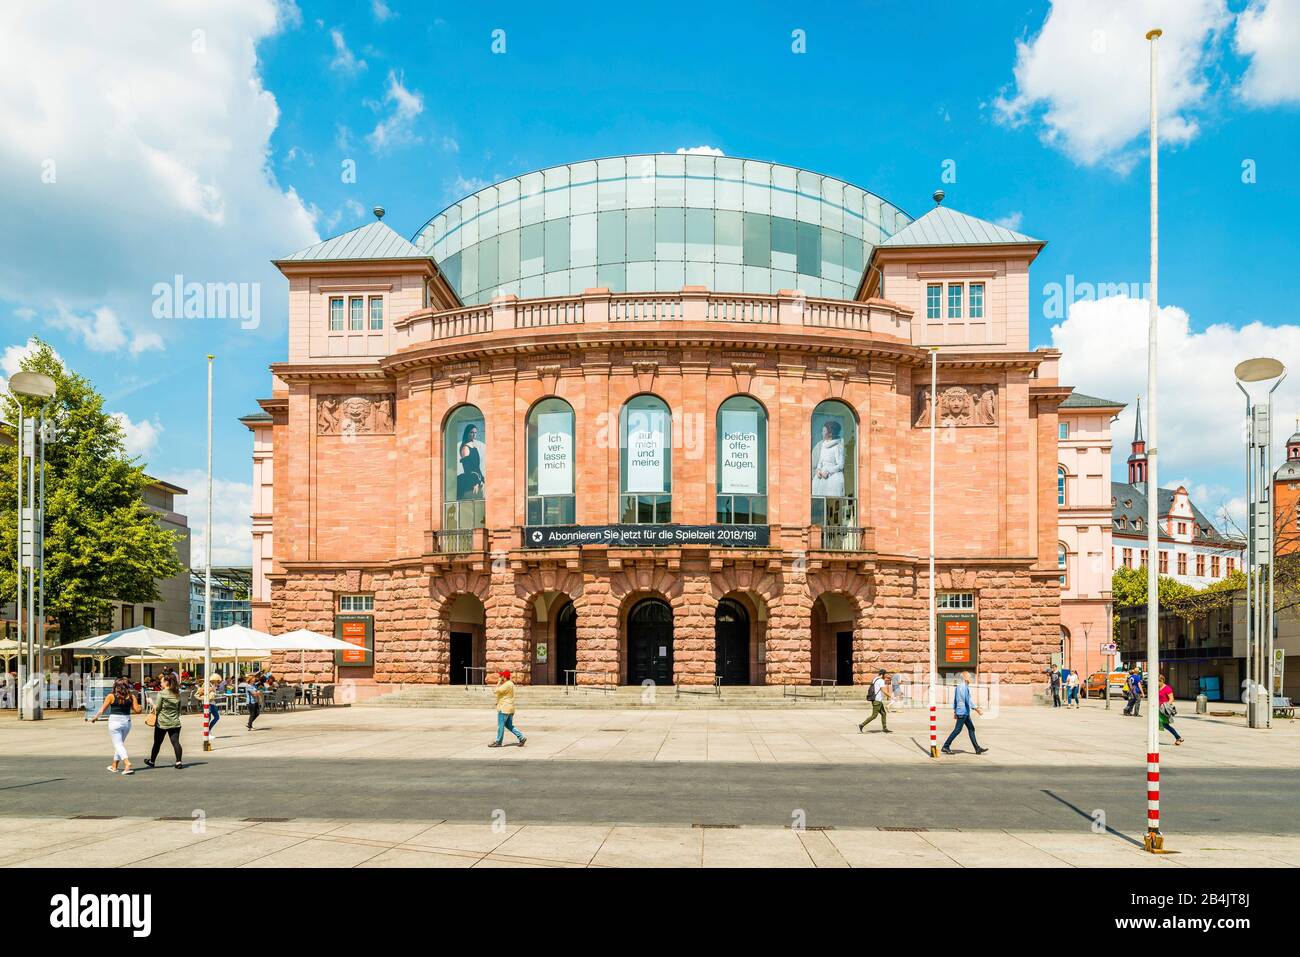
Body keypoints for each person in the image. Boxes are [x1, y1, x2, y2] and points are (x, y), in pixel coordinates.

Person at [92, 676, 142, 774]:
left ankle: (127, 763)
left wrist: (95, 717)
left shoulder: (111, 696)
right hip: (127, 721)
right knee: (120, 744)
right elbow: (138, 711)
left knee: (118, 744)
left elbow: (102, 709)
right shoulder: (131, 696)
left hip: (114, 721)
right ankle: (114, 766)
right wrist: (140, 706)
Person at [144, 671, 184, 769]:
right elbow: (179, 710)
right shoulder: (177, 694)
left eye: (162, 682)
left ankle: (152, 761)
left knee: (157, 742)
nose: (160, 684)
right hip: (175, 722)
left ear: (166, 682)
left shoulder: (161, 694)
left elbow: (157, 708)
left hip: (162, 722)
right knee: (175, 742)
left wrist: (150, 702)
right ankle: (178, 762)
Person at [941, 672, 988, 755]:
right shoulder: (964, 687)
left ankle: (977, 748)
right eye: (970, 677)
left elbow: (955, 700)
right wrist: (976, 709)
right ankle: (946, 746)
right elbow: (967, 700)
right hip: (963, 712)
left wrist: (955, 711)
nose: (971, 679)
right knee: (957, 730)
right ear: (965, 678)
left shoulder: (958, 686)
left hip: (962, 711)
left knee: (971, 729)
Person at [487, 670, 526, 748]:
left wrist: (498, 682)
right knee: (509, 725)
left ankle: (498, 741)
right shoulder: (511, 684)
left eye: (501, 676)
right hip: (510, 708)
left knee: (500, 725)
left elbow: (495, 691)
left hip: (504, 708)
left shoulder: (506, 684)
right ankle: (521, 737)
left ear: (504, 677)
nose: (500, 677)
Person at [811, 420, 846, 497]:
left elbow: (840, 465)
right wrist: (818, 470)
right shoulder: (823, 445)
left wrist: (828, 471)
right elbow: (820, 461)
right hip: (821, 477)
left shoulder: (837, 446)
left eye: (824, 431)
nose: (822, 433)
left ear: (830, 433)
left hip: (832, 477)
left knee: (831, 498)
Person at [456, 423, 485, 500]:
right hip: (470, 480)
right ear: (467, 433)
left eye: (475, 433)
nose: (474, 435)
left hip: (477, 479)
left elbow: (477, 467)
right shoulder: (465, 448)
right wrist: (474, 482)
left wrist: (482, 480)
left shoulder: (475, 447)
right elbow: (467, 468)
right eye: (472, 432)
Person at [858, 669, 892, 733]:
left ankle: (885, 728)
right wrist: (890, 696)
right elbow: (883, 690)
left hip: (876, 699)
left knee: (883, 713)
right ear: (882, 674)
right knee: (874, 715)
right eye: (885, 674)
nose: (885, 676)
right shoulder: (881, 680)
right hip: (877, 700)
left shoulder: (875, 679)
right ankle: (862, 725)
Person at [1158, 673, 1184, 745]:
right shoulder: (1157, 688)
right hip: (1158, 709)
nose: (1157, 683)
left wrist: (1166, 706)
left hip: (1163, 709)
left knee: (1165, 725)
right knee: (1160, 724)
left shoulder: (1167, 688)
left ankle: (1178, 737)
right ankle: (1178, 738)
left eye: (1158, 681)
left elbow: (1171, 698)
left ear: (1162, 680)